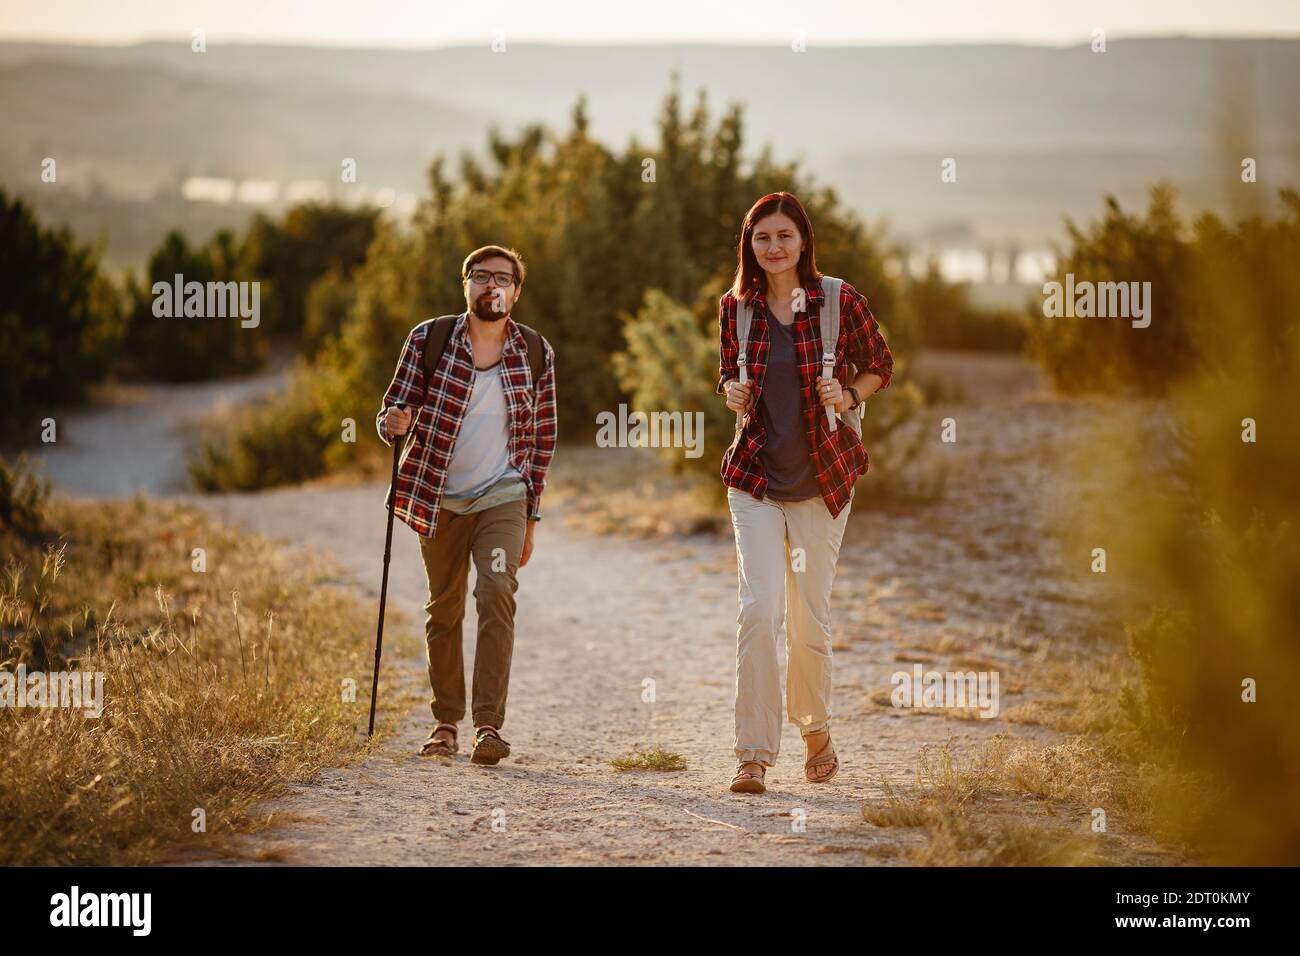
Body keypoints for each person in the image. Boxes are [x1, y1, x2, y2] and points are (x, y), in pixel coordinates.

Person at [716, 192, 894, 794]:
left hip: (821, 481)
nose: (773, 247)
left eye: (784, 236)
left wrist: (848, 397)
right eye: (762, 237)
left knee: (807, 622)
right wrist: (731, 393)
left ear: (803, 241)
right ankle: (754, 755)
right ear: (750, 243)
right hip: (756, 481)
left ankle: (815, 730)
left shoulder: (839, 300)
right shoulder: (735, 308)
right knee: (758, 613)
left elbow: (881, 364)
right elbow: (728, 373)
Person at [376, 245, 557, 766]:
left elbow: (542, 441)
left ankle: (488, 726)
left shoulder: (536, 352)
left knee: (497, 589)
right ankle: (445, 722)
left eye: (503, 278)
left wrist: (531, 518)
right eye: (481, 276)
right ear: (466, 285)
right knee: (445, 607)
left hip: (503, 493)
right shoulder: (428, 339)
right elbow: (393, 408)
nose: (491, 286)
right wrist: (392, 422)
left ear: (516, 292)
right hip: (437, 495)